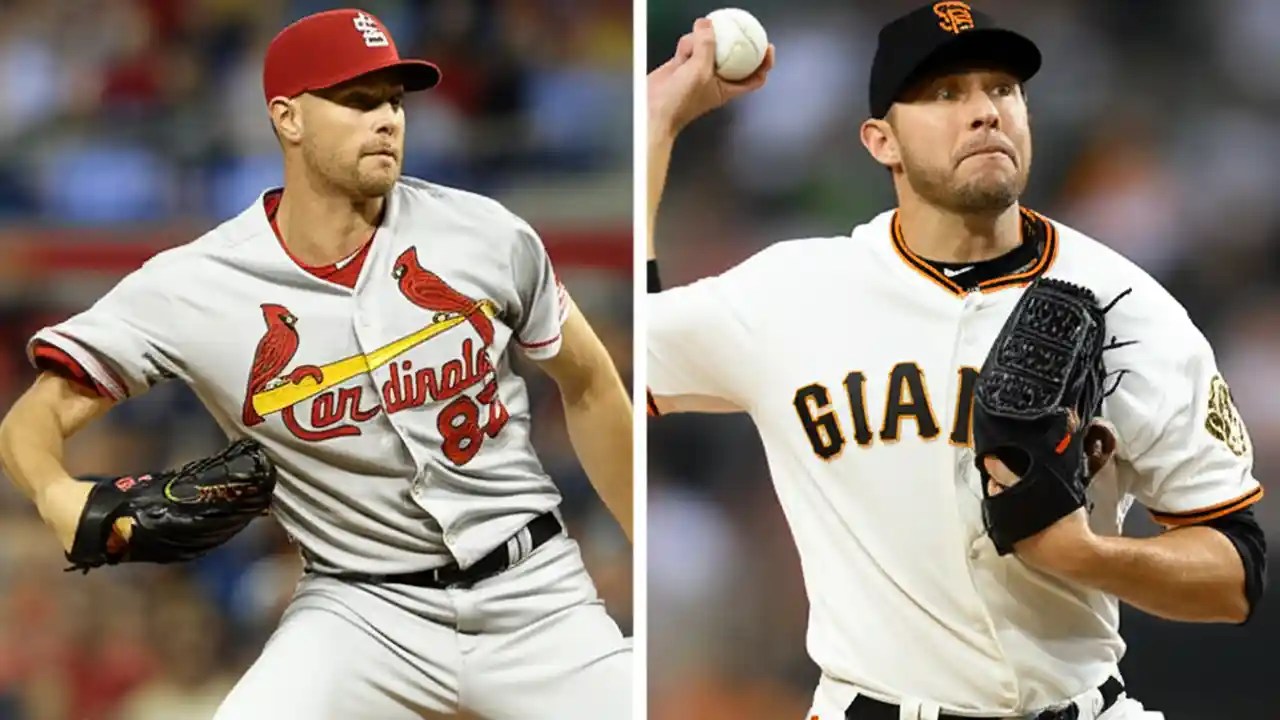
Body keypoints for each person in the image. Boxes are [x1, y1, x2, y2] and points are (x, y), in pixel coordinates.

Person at [0, 9, 632, 719]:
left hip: (534, 595)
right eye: (357, 101)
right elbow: (32, 419)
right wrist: (56, 493)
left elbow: (590, 385)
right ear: (287, 118)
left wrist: (642, 542)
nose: (387, 119)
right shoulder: (198, 282)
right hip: (360, 612)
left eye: (393, 99)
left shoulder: (487, 234)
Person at [646, 4, 1265, 719]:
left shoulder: (1128, 305)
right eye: (945, 94)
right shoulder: (792, 290)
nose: (984, 113)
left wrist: (1087, 555)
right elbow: (638, 352)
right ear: (882, 142)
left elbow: (1237, 573)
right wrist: (658, 123)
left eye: (1001, 89)